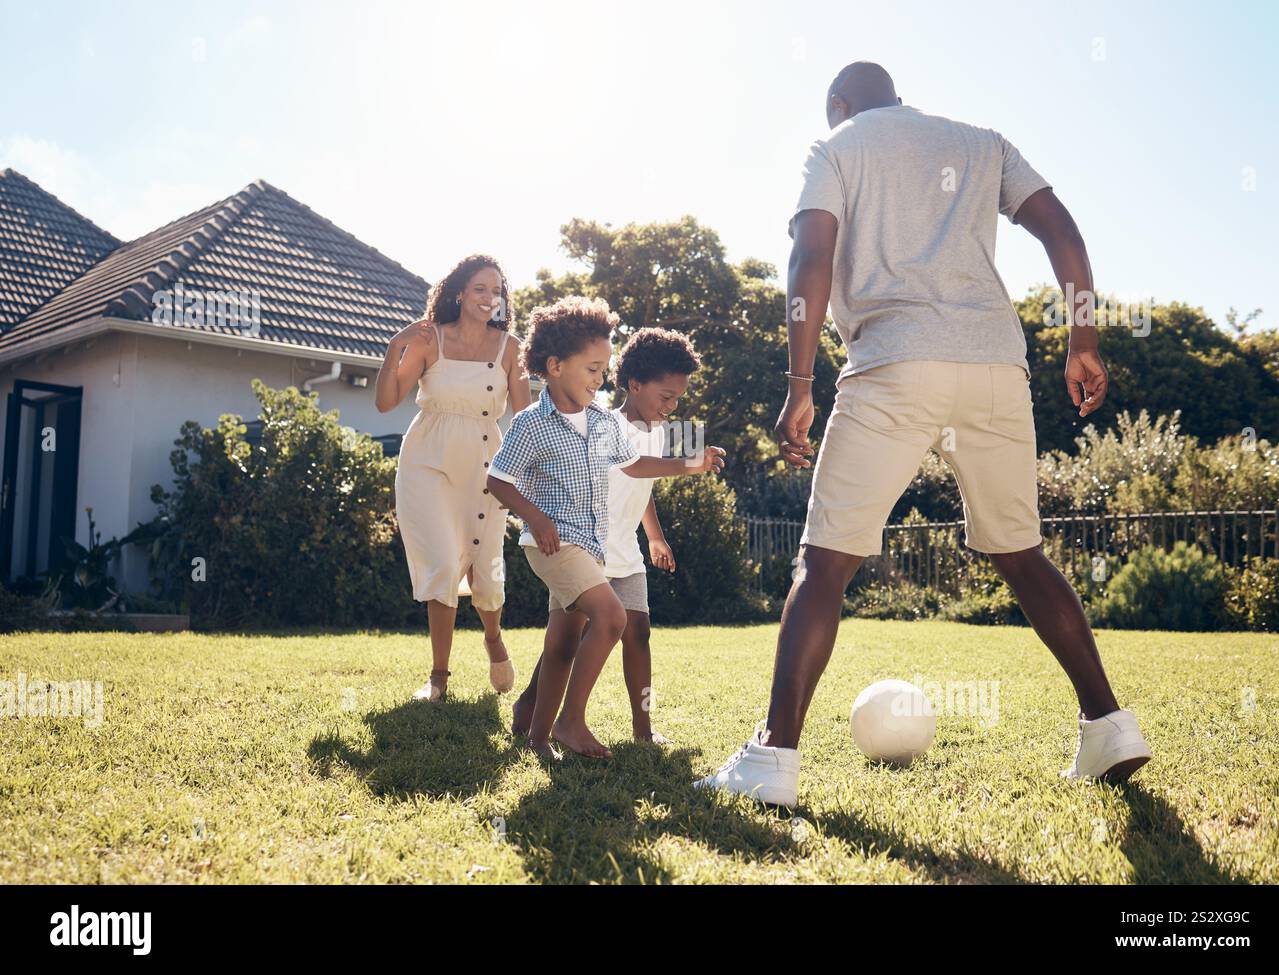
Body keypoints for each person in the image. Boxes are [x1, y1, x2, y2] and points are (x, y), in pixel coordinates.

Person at [695, 61, 1152, 808]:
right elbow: (1062, 229)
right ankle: (1109, 723)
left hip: (894, 362)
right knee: (1022, 553)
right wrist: (1082, 340)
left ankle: (772, 758)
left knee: (825, 560)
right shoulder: (983, 143)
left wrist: (799, 385)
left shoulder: (836, 148)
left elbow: (809, 258)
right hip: (997, 368)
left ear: (839, 105)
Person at [487, 297, 724, 760]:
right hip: (562, 543)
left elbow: (639, 473)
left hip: (600, 548)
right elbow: (499, 478)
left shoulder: (609, 425)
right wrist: (534, 517)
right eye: (593, 369)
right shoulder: (550, 423)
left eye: (602, 370)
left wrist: (666, 510)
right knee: (607, 622)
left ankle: (545, 733)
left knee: (570, 642)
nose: (600, 379)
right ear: (555, 366)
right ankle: (567, 721)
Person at [376, 255, 532, 703]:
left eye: (496, 290)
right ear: (459, 292)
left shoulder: (511, 348)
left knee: (485, 571)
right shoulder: (429, 340)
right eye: (480, 289)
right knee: (443, 562)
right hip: (427, 458)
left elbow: (522, 416)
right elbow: (386, 403)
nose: (489, 298)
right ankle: (438, 677)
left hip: (486, 462)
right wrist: (395, 346)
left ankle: (492, 637)